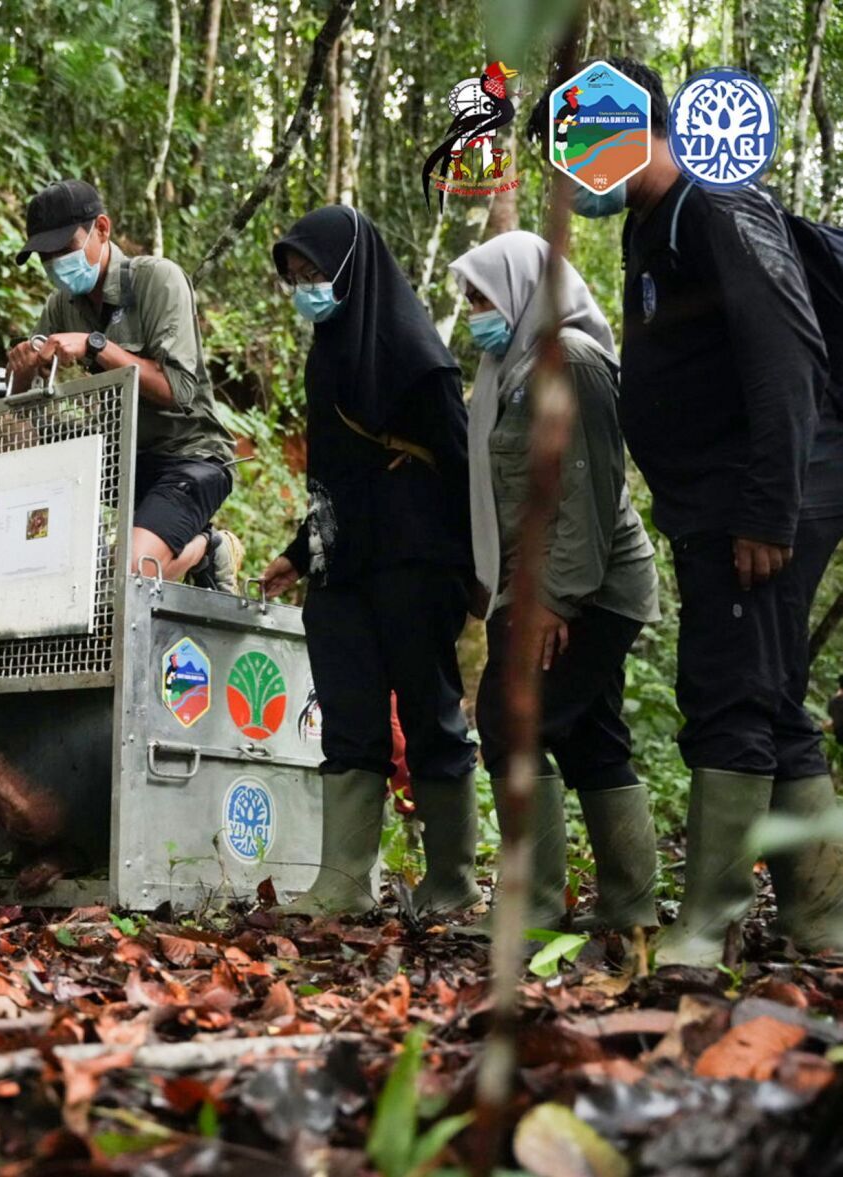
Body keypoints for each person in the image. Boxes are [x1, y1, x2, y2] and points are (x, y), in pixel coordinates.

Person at [528, 58, 843, 964]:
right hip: (718, 500)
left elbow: (785, 359)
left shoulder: (718, 204)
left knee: (728, 691)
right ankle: (818, 921)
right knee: (770, 692)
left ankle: (706, 925)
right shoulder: (654, 224)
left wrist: (766, 509)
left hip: (766, 495)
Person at [260, 206, 480, 919]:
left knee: (429, 716)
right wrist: (298, 554)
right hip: (341, 567)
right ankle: (344, 881)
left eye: (314, 273)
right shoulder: (326, 352)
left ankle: (450, 878)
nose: (304, 288)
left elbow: (463, 468)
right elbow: (338, 475)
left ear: (354, 270)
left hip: (416, 564)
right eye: (294, 277)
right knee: (349, 717)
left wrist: (482, 573)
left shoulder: (419, 360)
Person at [448, 230, 661, 932]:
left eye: (483, 294)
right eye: (469, 297)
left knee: (508, 724)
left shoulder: (569, 361)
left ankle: (531, 909)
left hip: (588, 583)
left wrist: (552, 600)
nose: (475, 309)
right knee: (589, 735)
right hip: (541, 580)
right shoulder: (506, 368)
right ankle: (630, 909)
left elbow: (587, 493)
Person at [4, 179, 241, 590]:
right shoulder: (61, 306)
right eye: (46, 256)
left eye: (65, 249)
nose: (56, 263)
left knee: (128, 574)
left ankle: (210, 545)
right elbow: (20, 404)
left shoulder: (158, 280)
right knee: (60, 570)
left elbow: (179, 389)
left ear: (101, 228)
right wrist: (23, 370)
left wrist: (96, 345)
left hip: (190, 458)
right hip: (120, 461)